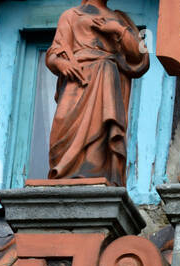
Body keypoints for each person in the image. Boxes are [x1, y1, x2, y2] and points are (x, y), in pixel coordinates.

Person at [45, 0, 149, 184]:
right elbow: (54, 53)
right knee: (62, 124)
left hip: (106, 81)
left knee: (100, 129)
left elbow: (139, 55)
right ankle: (64, 175)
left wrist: (118, 29)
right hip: (76, 79)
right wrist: (60, 63)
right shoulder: (71, 15)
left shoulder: (119, 19)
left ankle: (94, 177)